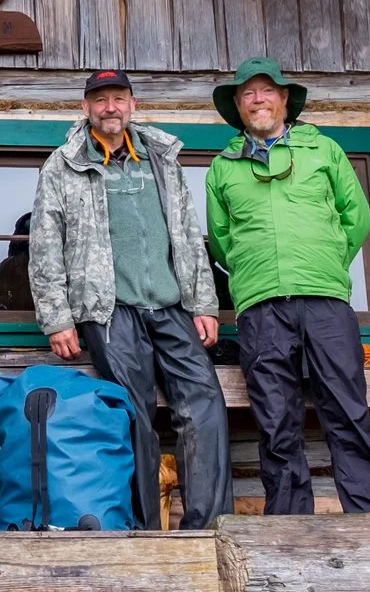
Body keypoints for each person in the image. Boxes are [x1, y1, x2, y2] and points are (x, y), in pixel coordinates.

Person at [27, 69, 232, 530]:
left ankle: (208, 526)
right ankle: (145, 529)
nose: (110, 107)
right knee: (134, 413)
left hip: (171, 306)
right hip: (109, 310)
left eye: (118, 98)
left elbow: (188, 234)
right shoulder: (63, 165)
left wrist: (204, 303)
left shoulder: (161, 157)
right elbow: (44, 246)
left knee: (204, 403)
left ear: (132, 104)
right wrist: (57, 318)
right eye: (100, 100)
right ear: (86, 108)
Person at [205, 58, 370, 515]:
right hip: (259, 307)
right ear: (238, 105)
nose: (258, 99)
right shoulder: (222, 167)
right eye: (247, 93)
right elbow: (221, 238)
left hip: (325, 300)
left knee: (347, 410)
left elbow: (357, 218)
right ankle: (288, 527)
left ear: (285, 98)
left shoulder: (324, 150)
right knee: (276, 421)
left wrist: (324, 261)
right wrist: (255, 270)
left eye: (267, 90)